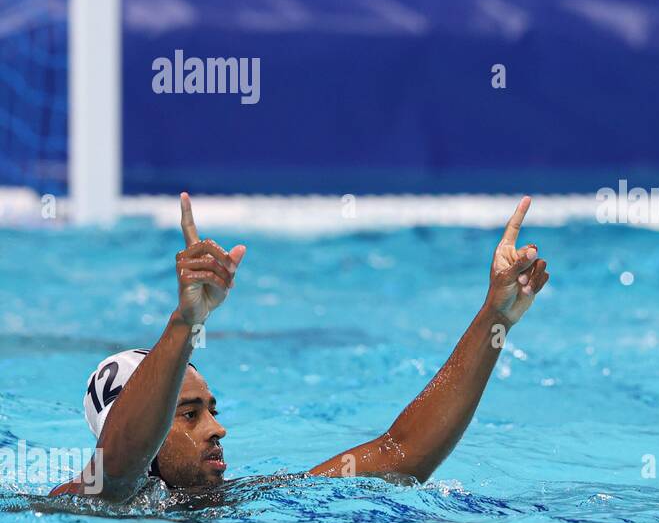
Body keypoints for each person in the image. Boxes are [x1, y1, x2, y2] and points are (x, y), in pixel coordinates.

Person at [50, 193, 549, 501]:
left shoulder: (240, 501)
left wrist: (495, 317)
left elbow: (401, 454)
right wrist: (185, 321)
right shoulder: (87, 501)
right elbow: (119, 461)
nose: (218, 428)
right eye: (188, 414)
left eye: (210, 410)